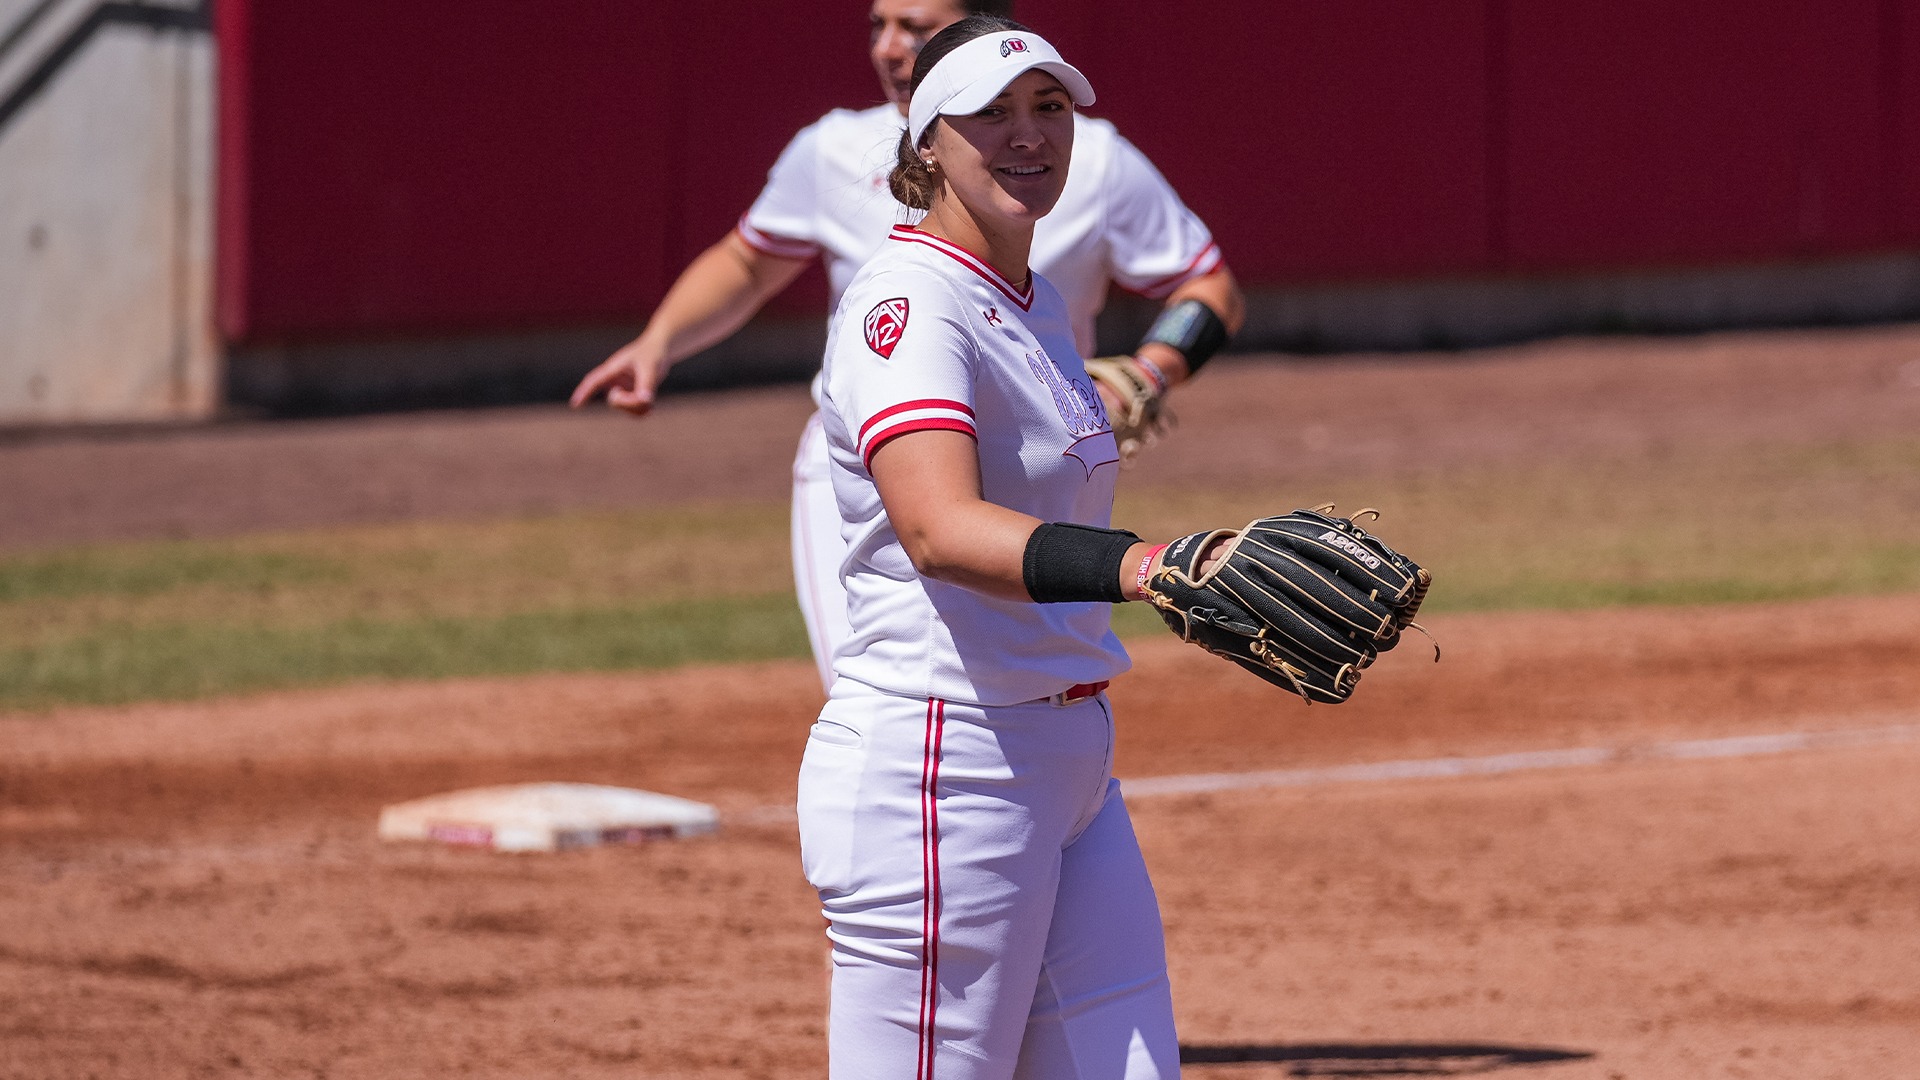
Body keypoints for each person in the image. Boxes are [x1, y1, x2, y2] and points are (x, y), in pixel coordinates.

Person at [571, 0, 1245, 691]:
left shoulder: (1084, 167)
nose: (890, 48)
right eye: (879, 25)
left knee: (1047, 680)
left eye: (916, 28)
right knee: (899, 680)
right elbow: (748, 263)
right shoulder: (839, 159)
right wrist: (659, 343)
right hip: (871, 461)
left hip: (1037, 452)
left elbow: (1209, 288)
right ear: (926, 145)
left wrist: (1148, 373)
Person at [800, 17, 1230, 1078]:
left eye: (1048, 106)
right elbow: (938, 527)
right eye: (990, 112)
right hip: (947, 767)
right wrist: (1150, 567)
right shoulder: (909, 302)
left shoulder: (1031, 303)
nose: (1028, 133)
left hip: (1069, 761)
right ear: (927, 140)